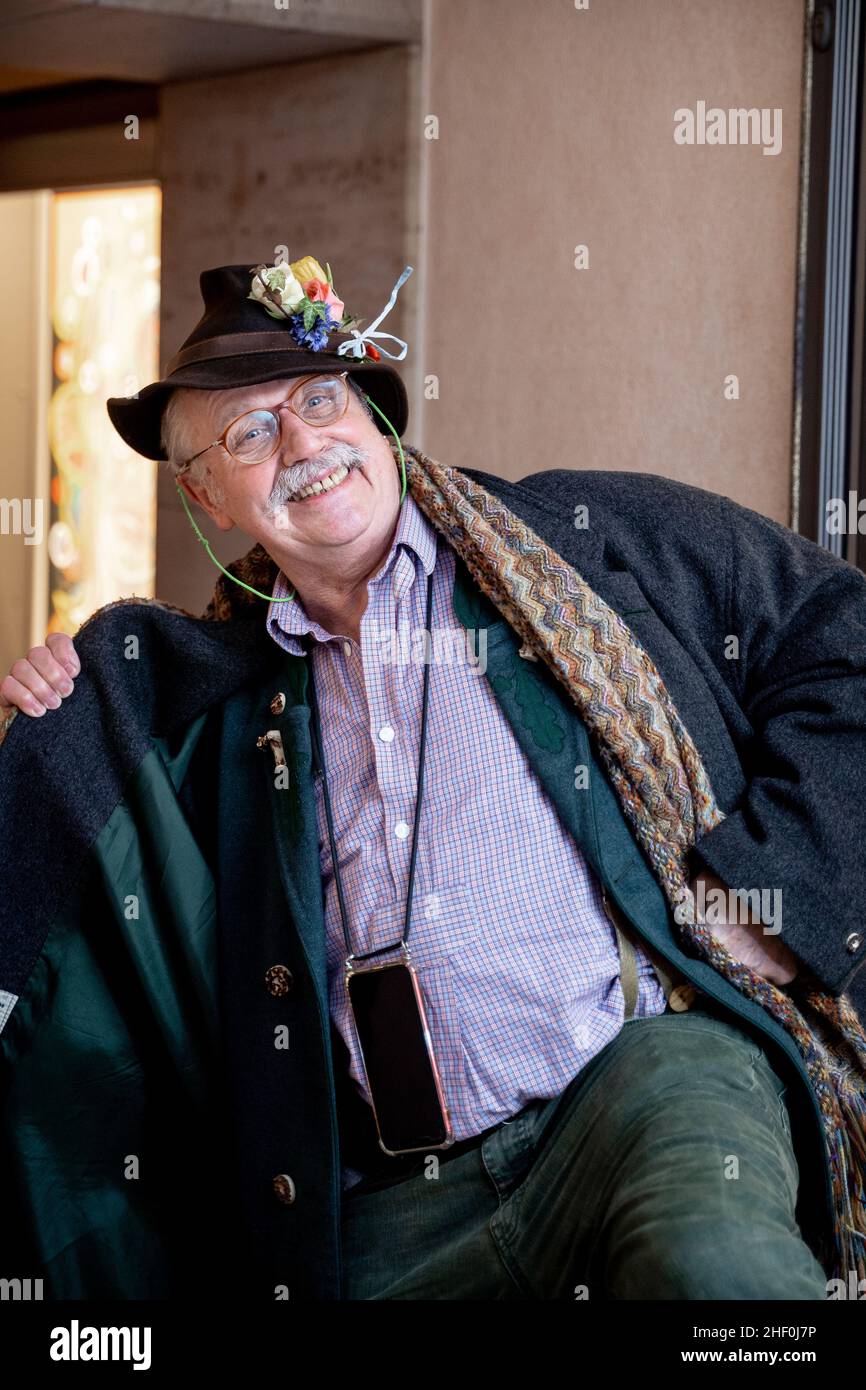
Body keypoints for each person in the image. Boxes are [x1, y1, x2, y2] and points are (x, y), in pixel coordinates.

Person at [1, 255, 865, 1302]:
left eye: (319, 400)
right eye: (249, 432)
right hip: (396, 1196)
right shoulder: (204, 702)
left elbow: (842, 636)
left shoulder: (590, 543)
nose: (304, 443)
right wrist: (59, 706)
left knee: (711, 1274)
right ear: (205, 496)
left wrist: (778, 889)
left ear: (371, 414)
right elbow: (76, 849)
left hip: (642, 1083)